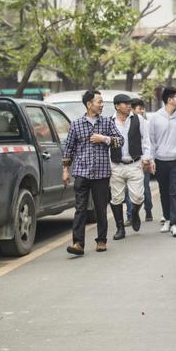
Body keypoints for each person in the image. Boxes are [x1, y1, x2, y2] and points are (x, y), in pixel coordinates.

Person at [62, 90, 122, 255]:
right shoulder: (76, 124)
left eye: (102, 102)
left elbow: (120, 141)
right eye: (99, 102)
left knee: (100, 208)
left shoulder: (107, 123)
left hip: (102, 174)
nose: (102, 105)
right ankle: (78, 244)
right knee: (80, 209)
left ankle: (101, 240)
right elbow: (69, 149)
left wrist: (104, 139)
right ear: (89, 104)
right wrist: (65, 170)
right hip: (81, 172)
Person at [144, 87, 176, 237]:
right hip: (161, 161)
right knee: (164, 192)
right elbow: (152, 141)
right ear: (169, 100)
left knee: (174, 192)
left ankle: (175, 224)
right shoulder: (155, 118)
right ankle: (168, 219)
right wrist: (151, 160)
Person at [109, 94, 149, 241]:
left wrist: (147, 158)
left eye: (129, 103)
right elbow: (106, 144)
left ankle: (134, 213)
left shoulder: (138, 119)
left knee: (138, 197)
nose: (128, 106)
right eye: (125, 104)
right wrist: (108, 163)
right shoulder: (109, 121)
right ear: (117, 106)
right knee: (116, 198)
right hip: (116, 164)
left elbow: (146, 140)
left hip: (134, 163)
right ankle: (120, 228)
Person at [126, 97, 154, 224]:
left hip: (143, 160)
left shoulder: (146, 123)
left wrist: (148, 159)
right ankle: (130, 214)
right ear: (131, 109)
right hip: (130, 162)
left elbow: (149, 143)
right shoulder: (125, 123)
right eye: (139, 109)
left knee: (145, 188)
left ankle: (148, 210)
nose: (141, 111)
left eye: (143, 109)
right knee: (129, 190)